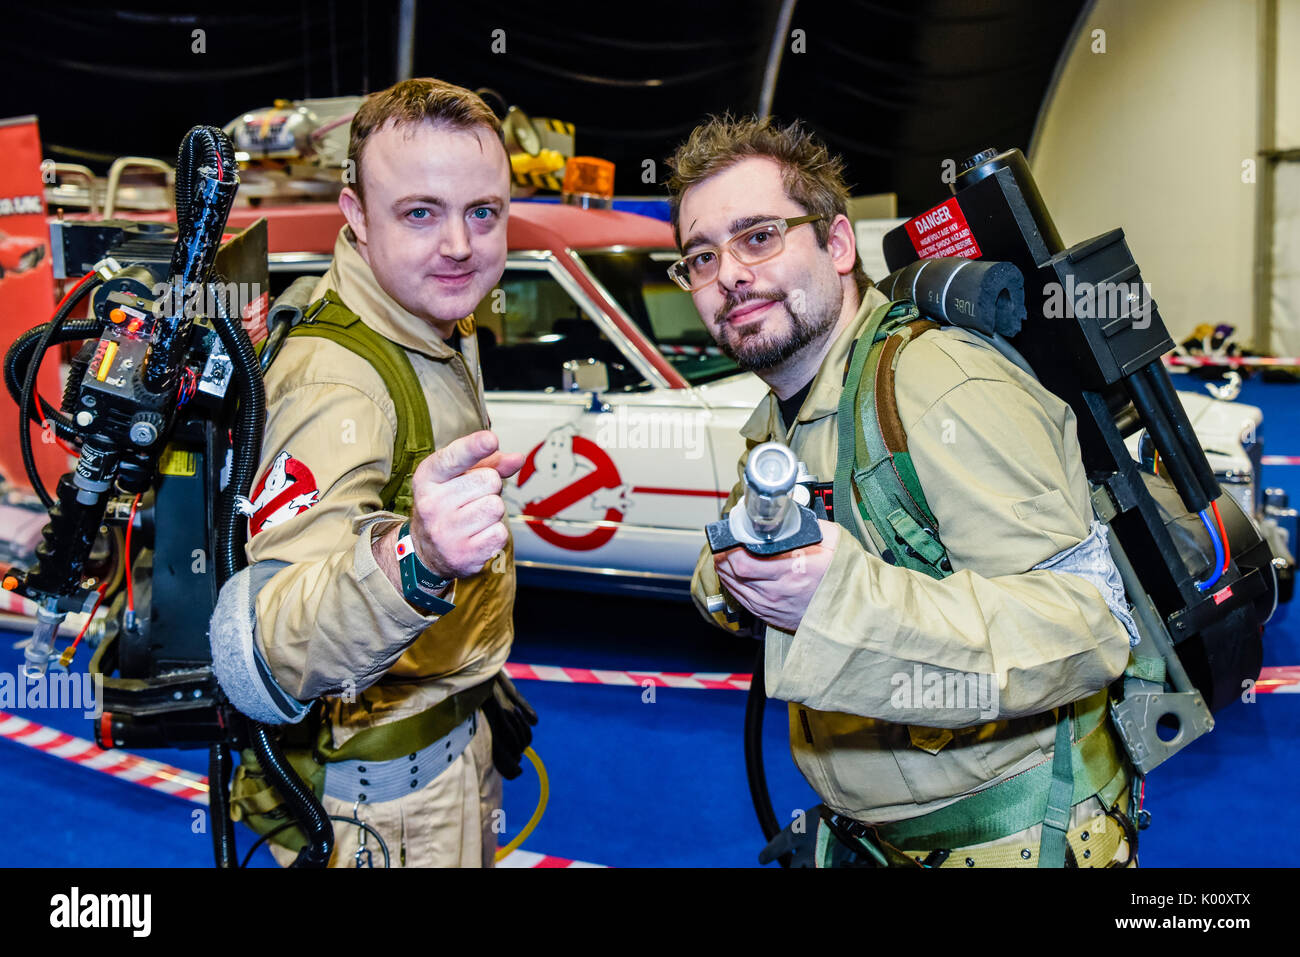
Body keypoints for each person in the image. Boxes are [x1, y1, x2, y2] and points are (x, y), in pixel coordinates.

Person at [670, 115, 1140, 867]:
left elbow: (1087, 627)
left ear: (838, 245)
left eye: (758, 236)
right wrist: (734, 580)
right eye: (700, 255)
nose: (727, 273)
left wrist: (832, 600)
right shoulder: (785, 416)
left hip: (1017, 837)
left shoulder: (937, 383)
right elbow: (752, 560)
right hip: (877, 838)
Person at [210, 78, 526, 868]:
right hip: (386, 803)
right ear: (355, 217)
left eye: (482, 211)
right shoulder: (339, 382)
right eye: (419, 212)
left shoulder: (433, 318)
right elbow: (271, 637)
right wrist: (413, 562)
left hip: (445, 746)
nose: (460, 242)